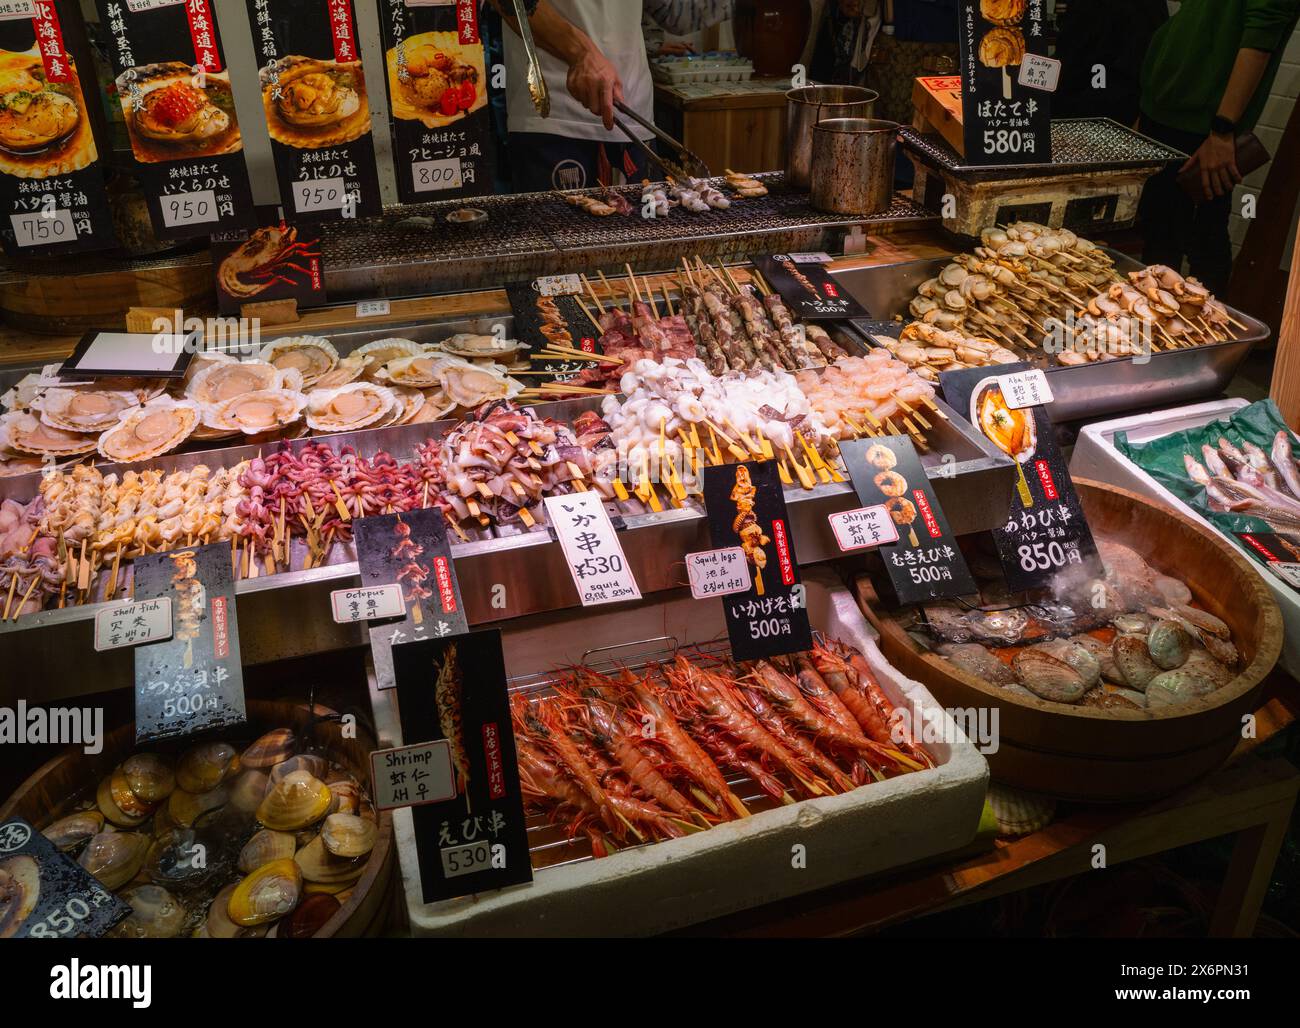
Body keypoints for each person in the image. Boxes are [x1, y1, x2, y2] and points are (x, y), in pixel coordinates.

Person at [1136, 0, 1300, 294]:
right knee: (1159, 233)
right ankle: (1150, 326)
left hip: (1201, 126)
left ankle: (1206, 331)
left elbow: (1260, 39)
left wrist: (1222, 130)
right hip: (1164, 110)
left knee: (1201, 240)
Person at [492, 1, 731, 192]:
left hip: (635, 117)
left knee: (645, 247)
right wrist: (580, 52)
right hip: (555, 117)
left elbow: (674, 13)